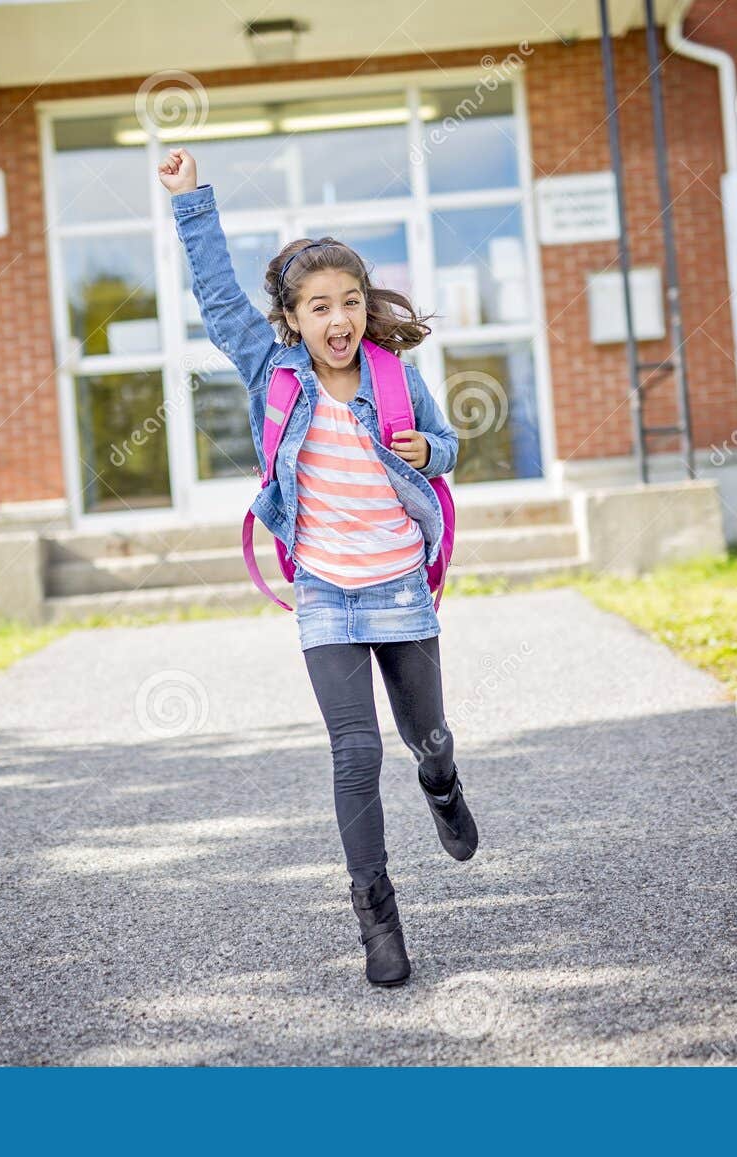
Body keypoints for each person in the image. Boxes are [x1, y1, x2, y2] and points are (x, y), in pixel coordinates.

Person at [158, 146, 478, 988]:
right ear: (293, 319)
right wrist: (191, 202)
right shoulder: (274, 372)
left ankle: (443, 786)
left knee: (426, 739)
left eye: (349, 301)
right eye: (317, 306)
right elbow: (218, 296)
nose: (337, 317)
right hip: (327, 593)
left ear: (365, 308)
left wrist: (429, 447)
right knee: (354, 752)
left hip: (401, 583)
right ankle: (377, 914)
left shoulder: (396, 377)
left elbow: (446, 450)